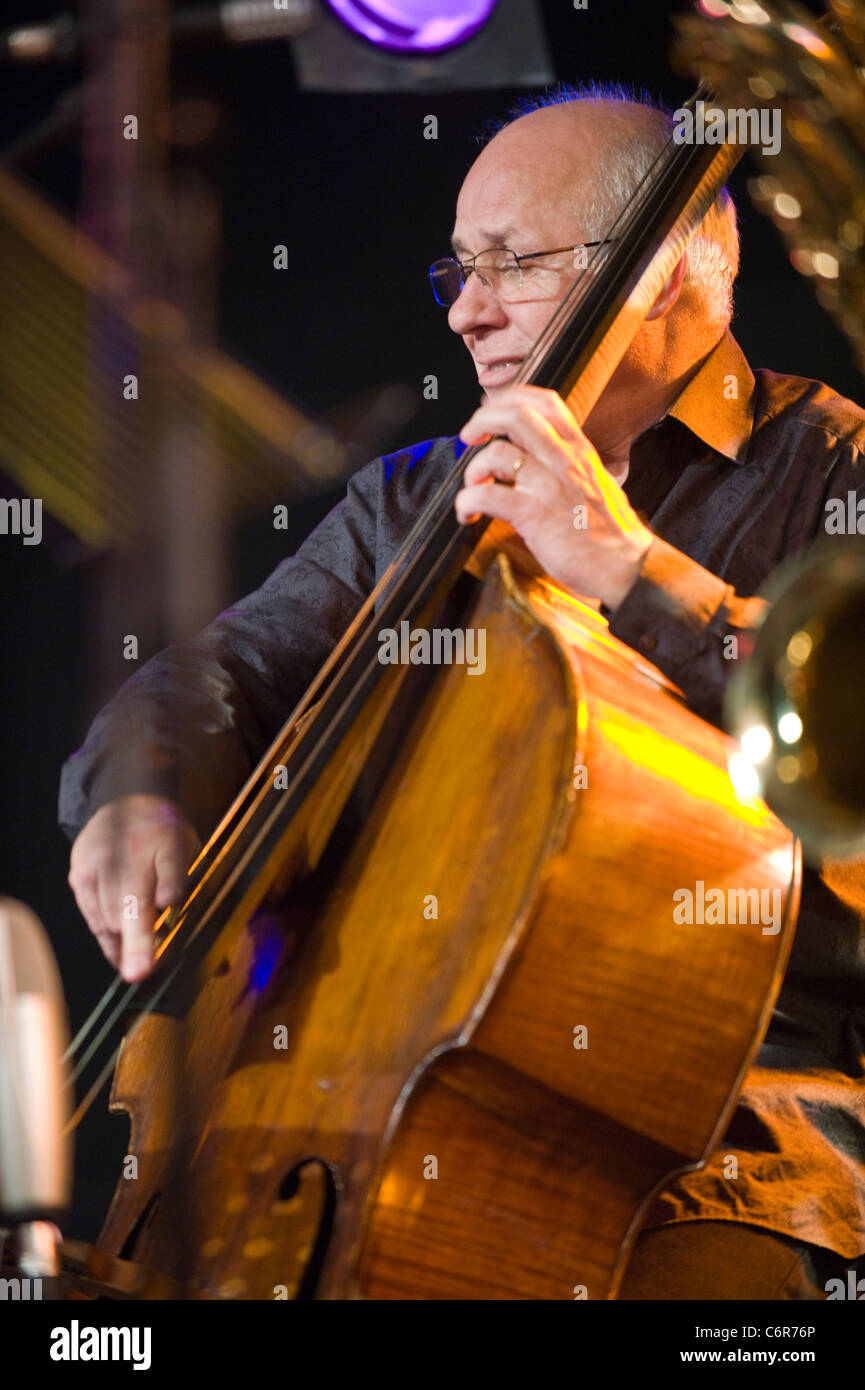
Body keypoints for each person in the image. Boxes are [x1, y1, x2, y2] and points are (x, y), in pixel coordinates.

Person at [60, 84, 865, 1299]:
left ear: (665, 271)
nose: (468, 314)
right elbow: (221, 670)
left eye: (512, 264)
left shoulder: (836, 471)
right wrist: (140, 794)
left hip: (724, 1140)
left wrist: (628, 568)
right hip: (377, 1093)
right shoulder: (418, 500)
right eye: (458, 272)